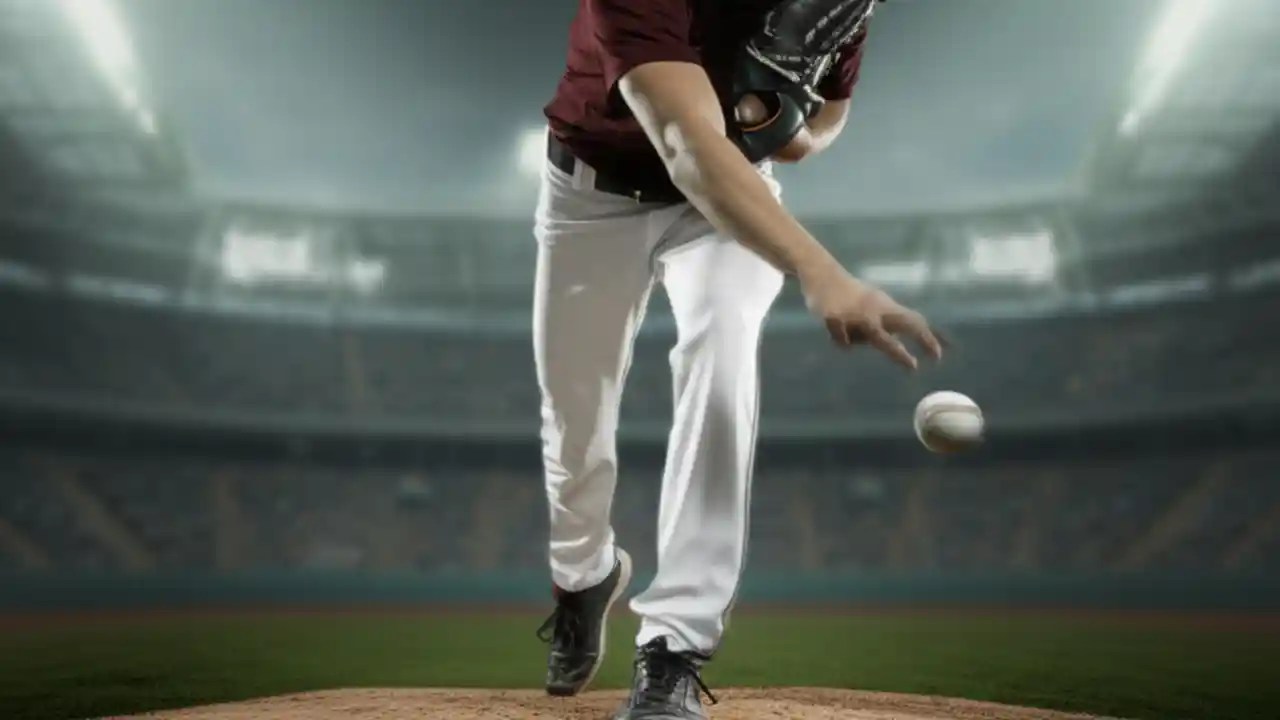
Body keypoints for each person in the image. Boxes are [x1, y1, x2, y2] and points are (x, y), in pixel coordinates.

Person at [531, 1, 941, 718]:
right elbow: (688, 147)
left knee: (722, 361)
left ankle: (674, 647)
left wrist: (781, 117)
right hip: (592, 196)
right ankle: (583, 576)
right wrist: (823, 274)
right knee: (575, 421)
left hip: (726, 205)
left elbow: (821, 123)